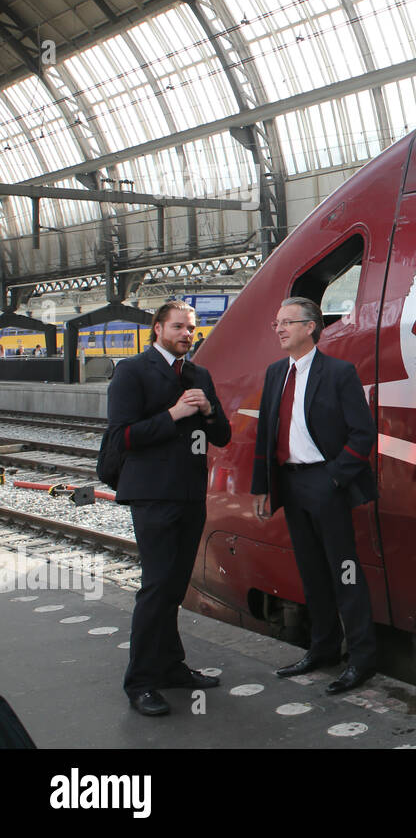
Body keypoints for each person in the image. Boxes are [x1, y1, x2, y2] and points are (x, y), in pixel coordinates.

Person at [108, 300, 230, 716]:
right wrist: (174, 414)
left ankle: (170, 666)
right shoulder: (132, 371)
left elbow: (224, 437)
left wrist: (210, 410)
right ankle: (140, 681)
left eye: (192, 328)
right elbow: (122, 435)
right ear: (157, 328)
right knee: (157, 587)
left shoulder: (199, 375)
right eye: (178, 327)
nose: (187, 334)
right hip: (152, 495)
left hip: (190, 494)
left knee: (175, 586)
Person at [251, 297, 379, 694]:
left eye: (288, 322)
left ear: (311, 327)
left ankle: (362, 660)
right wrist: (262, 486)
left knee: (345, 572)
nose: (280, 329)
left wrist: (335, 479)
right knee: (311, 572)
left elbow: (363, 434)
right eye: (277, 323)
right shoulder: (275, 374)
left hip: (327, 484)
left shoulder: (339, 373)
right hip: (290, 484)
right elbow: (265, 436)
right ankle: (322, 649)